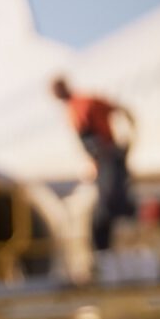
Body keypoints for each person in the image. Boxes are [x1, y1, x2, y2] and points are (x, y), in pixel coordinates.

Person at [50, 75, 138, 255]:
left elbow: (92, 135)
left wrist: (126, 139)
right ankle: (107, 250)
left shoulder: (81, 104)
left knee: (109, 205)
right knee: (111, 202)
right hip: (106, 158)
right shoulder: (77, 106)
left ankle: (106, 251)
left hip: (108, 157)